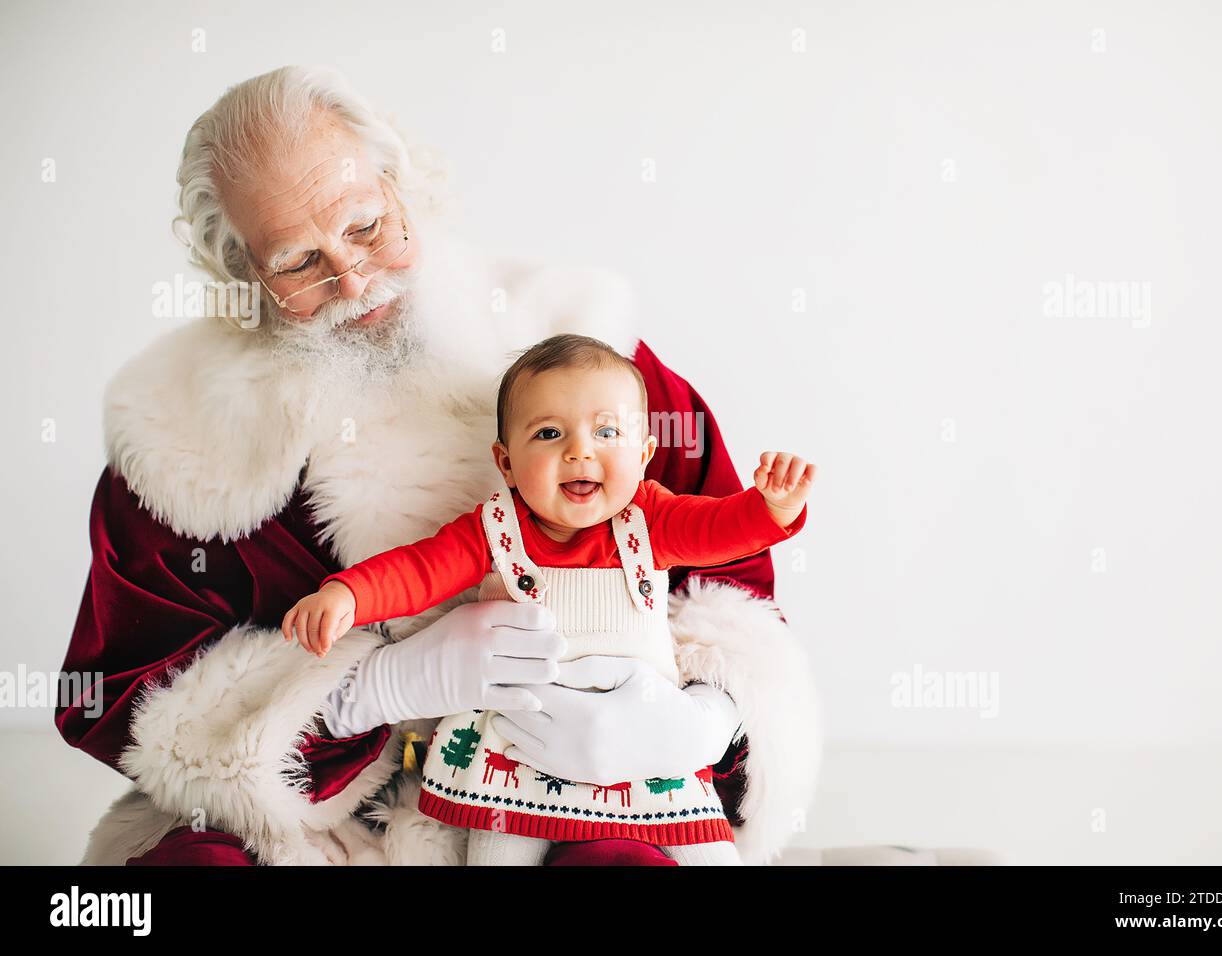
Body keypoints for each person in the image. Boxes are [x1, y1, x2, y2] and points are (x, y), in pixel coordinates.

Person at [55, 64, 822, 866]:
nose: (353, 281)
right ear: (245, 275)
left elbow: (735, 588)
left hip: (565, 799)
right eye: (297, 263)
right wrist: (368, 691)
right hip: (315, 835)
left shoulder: (586, 362)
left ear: (399, 184)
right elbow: (128, 691)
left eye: (364, 226)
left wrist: (699, 719)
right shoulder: (178, 440)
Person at [283, 333, 815, 865]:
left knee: (714, 856)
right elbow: (419, 569)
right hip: (522, 751)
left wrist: (771, 509)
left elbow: (719, 530)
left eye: (607, 431)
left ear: (645, 454)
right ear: (507, 461)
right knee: (498, 853)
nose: (579, 450)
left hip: (650, 750)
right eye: (549, 433)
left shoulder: (651, 520)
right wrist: (349, 593)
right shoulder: (495, 529)